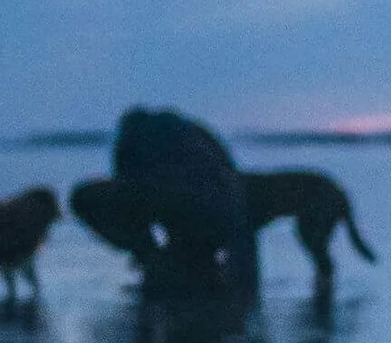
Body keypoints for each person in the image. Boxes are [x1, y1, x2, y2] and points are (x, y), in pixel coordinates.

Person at [69, 107, 261, 300]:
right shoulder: (194, 134)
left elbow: (129, 195)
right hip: (218, 210)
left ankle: (157, 260)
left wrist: (145, 251)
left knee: (84, 197)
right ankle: (163, 260)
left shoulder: (135, 140)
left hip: (200, 208)